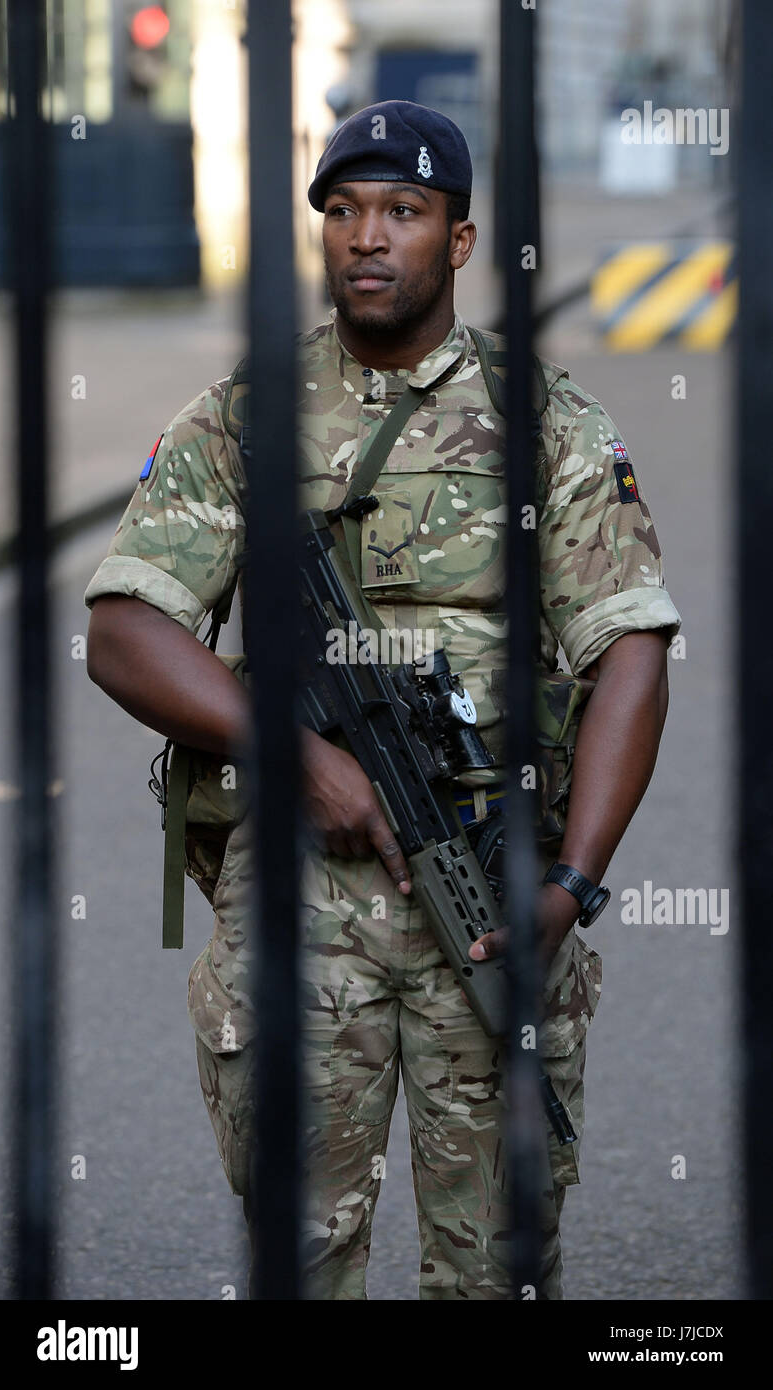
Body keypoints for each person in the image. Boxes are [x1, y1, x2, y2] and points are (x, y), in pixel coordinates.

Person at [85, 100, 681, 1299]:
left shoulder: (549, 422)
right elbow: (123, 629)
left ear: (458, 241)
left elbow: (632, 651)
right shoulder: (243, 419)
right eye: (343, 210)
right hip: (299, 913)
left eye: (403, 211)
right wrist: (296, 756)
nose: (367, 237)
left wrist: (569, 887)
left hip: (494, 887)